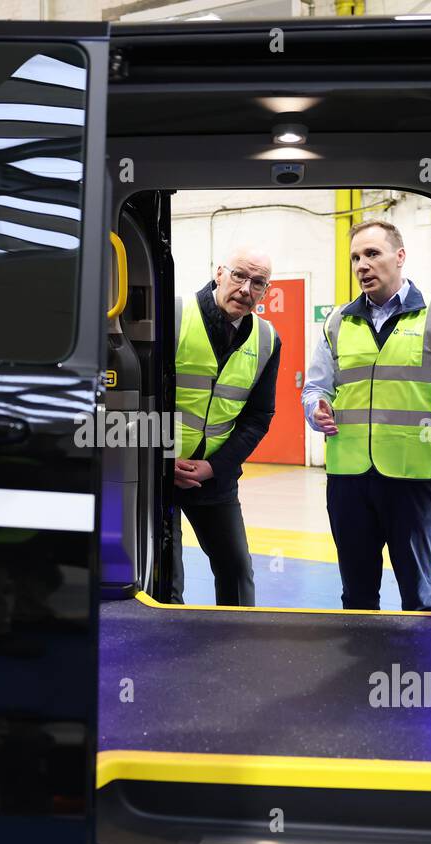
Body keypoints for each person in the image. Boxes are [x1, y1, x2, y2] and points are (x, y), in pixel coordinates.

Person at [301, 220, 431, 611]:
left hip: (415, 477)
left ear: (400, 256)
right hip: (349, 478)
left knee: (417, 593)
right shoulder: (337, 322)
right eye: (356, 257)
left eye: (372, 254)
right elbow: (315, 388)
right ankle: (360, 651)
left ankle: (419, 651)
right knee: (356, 594)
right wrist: (316, 408)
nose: (362, 265)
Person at [169, 247, 281, 606]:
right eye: (239, 276)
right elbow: (141, 398)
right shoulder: (172, 315)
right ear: (219, 273)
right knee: (165, 578)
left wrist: (214, 467)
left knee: (237, 572)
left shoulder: (267, 340)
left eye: (258, 282)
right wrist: (158, 459)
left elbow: (258, 417)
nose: (246, 289)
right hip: (159, 473)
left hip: (214, 475)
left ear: (265, 290)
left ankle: (238, 637)